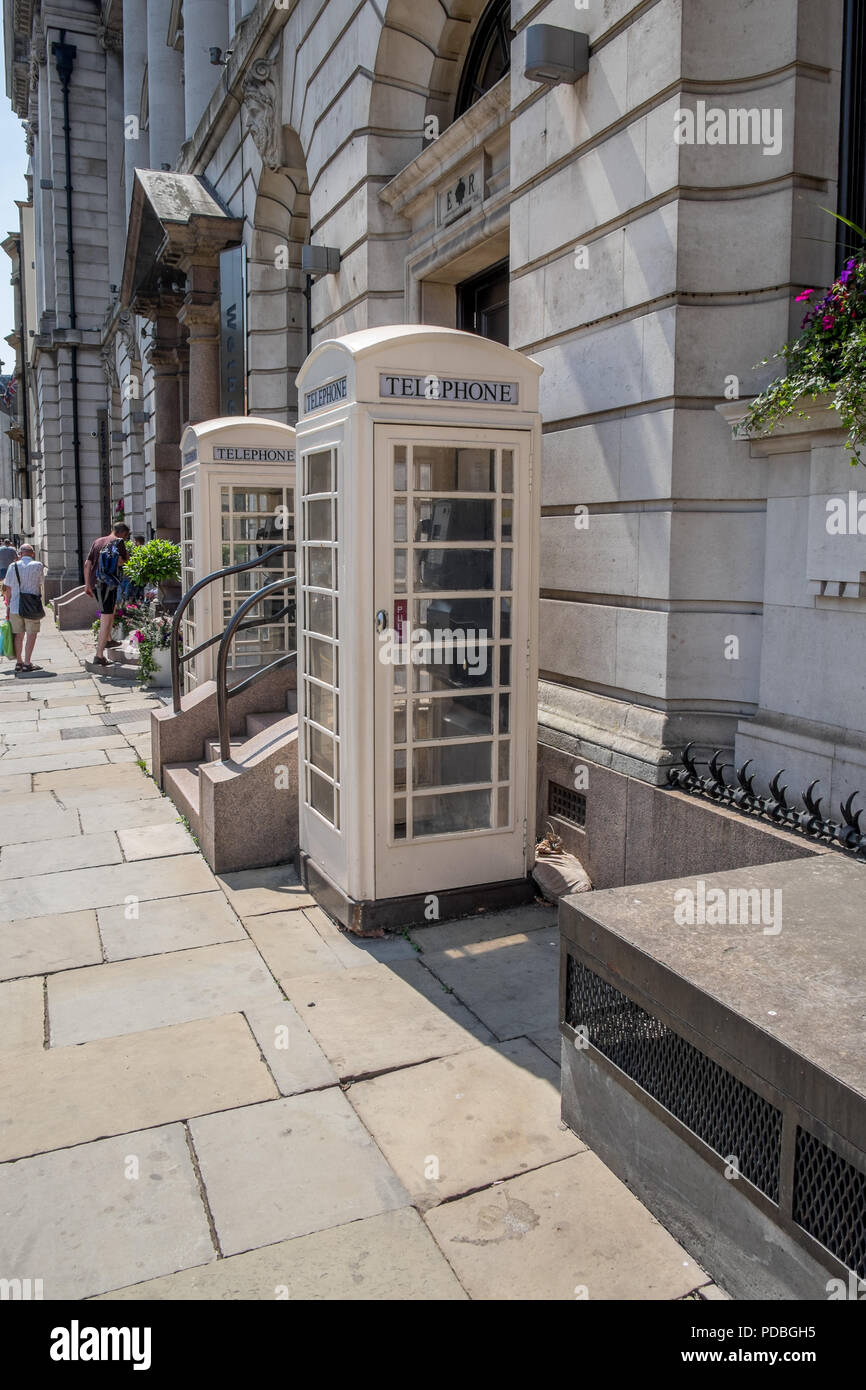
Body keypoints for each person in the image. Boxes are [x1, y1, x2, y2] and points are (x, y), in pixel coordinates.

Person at [84, 522, 130, 666]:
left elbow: (87, 564)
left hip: (95, 583)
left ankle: (109, 640)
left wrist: (87, 584)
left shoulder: (97, 541)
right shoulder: (119, 542)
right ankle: (99, 655)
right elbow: (124, 561)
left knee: (109, 610)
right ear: (123, 533)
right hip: (107, 584)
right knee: (107, 616)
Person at [3, 543, 46, 673]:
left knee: (18, 636)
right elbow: (41, 583)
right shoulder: (38, 565)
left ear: (20, 554)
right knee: (31, 635)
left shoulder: (12, 566)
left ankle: (19, 662)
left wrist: (8, 606)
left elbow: (7, 588)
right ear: (32, 553)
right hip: (32, 606)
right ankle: (27, 663)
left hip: (15, 606)